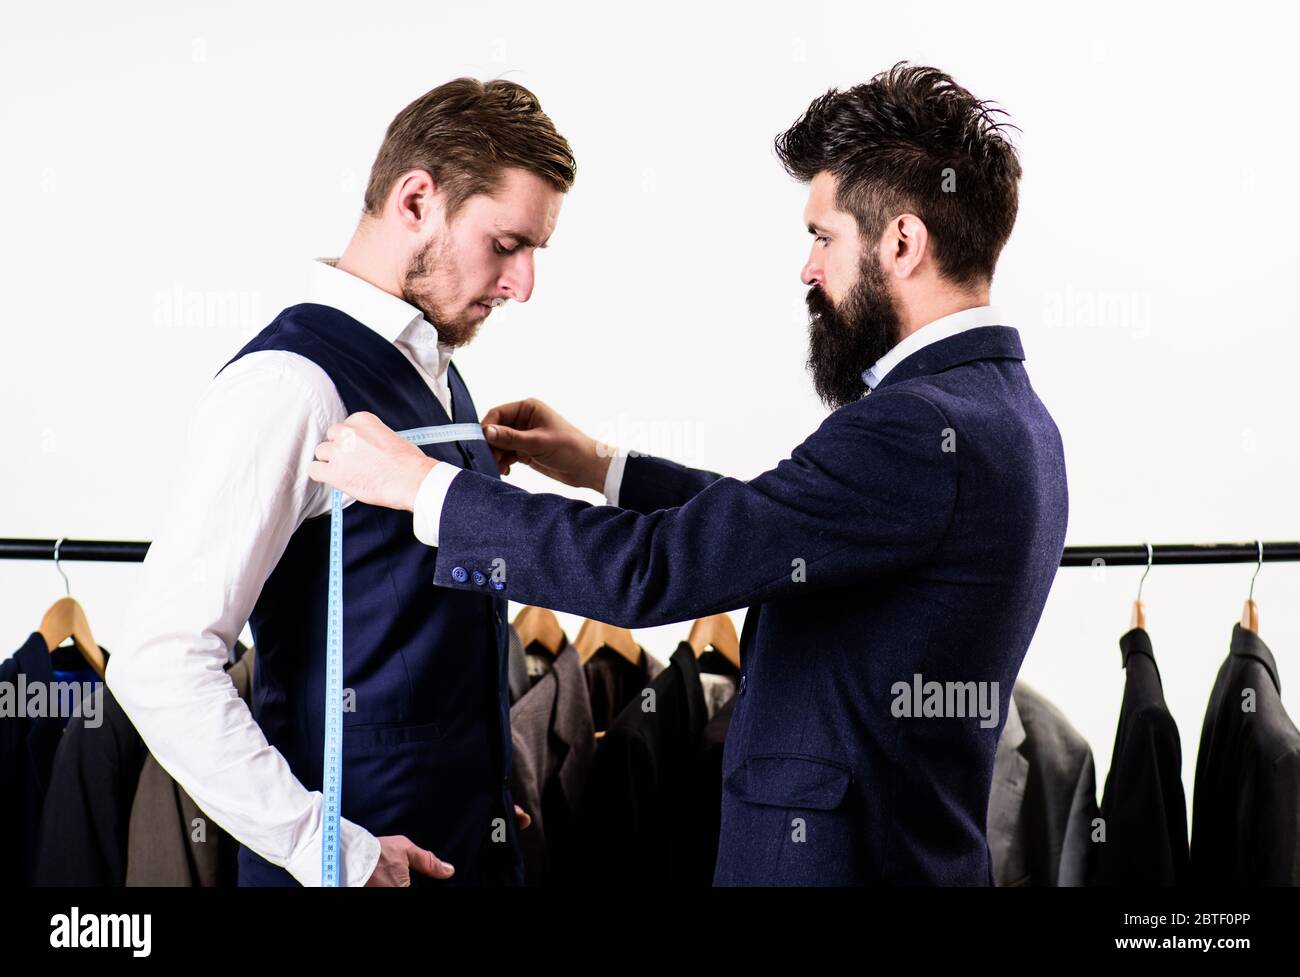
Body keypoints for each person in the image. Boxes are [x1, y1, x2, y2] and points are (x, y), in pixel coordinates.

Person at [310, 63, 1070, 885]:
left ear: (902, 242)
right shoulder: (1008, 415)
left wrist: (424, 486)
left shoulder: (917, 426)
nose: (808, 269)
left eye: (822, 236)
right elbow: (788, 527)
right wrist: (605, 467)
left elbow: (658, 570)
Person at [109, 77, 575, 886]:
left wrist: (479, 782)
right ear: (416, 200)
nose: (524, 284)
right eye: (506, 245)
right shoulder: (287, 387)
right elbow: (158, 660)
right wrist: (329, 851)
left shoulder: (436, 372)